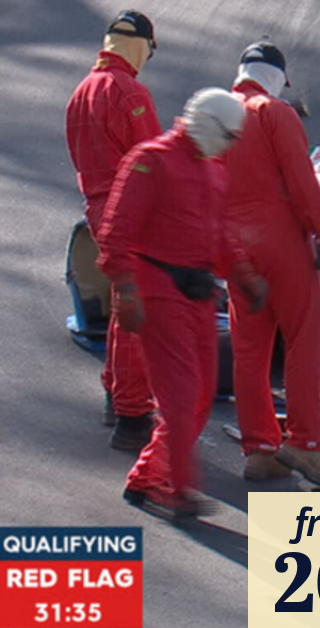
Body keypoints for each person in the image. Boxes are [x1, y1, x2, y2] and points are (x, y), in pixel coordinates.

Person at [96, 88, 268, 519]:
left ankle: (147, 478)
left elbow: (217, 234)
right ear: (210, 127)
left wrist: (245, 275)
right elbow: (116, 231)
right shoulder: (151, 159)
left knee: (200, 395)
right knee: (180, 396)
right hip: (159, 291)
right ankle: (173, 485)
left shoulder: (210, 170)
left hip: (194, 294)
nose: (231, 145)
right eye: (228, 136)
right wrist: (127, 290)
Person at [222, 42, 320, 490]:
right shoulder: (274, 112)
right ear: (277, 78)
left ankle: (259, 449)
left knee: (250, 350)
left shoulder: (215, 113)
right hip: (281, 242)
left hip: (234, 248)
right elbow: (302, 180)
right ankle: (306, 444)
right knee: (304, 339)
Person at [65, 9, 160, 450]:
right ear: (139, 47)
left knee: (124, 304)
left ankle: (116, 392)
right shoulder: (128, 90)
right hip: (129, 211)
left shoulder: (81, 91)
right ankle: (131, 412)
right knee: (135, 314)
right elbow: (155, 158)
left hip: (97, 208)